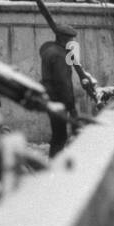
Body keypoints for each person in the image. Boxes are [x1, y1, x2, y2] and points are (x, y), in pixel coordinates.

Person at [39, 24, 78, 156]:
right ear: (63, 39)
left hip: (51, 99)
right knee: (60, 137)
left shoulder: (50, 51)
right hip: (59, 101)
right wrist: (71, 106)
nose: (72, 42)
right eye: (70, 39)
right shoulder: (60, 55)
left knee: (57, 135)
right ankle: (55, 169)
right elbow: (64, 83)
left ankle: (53, 166)